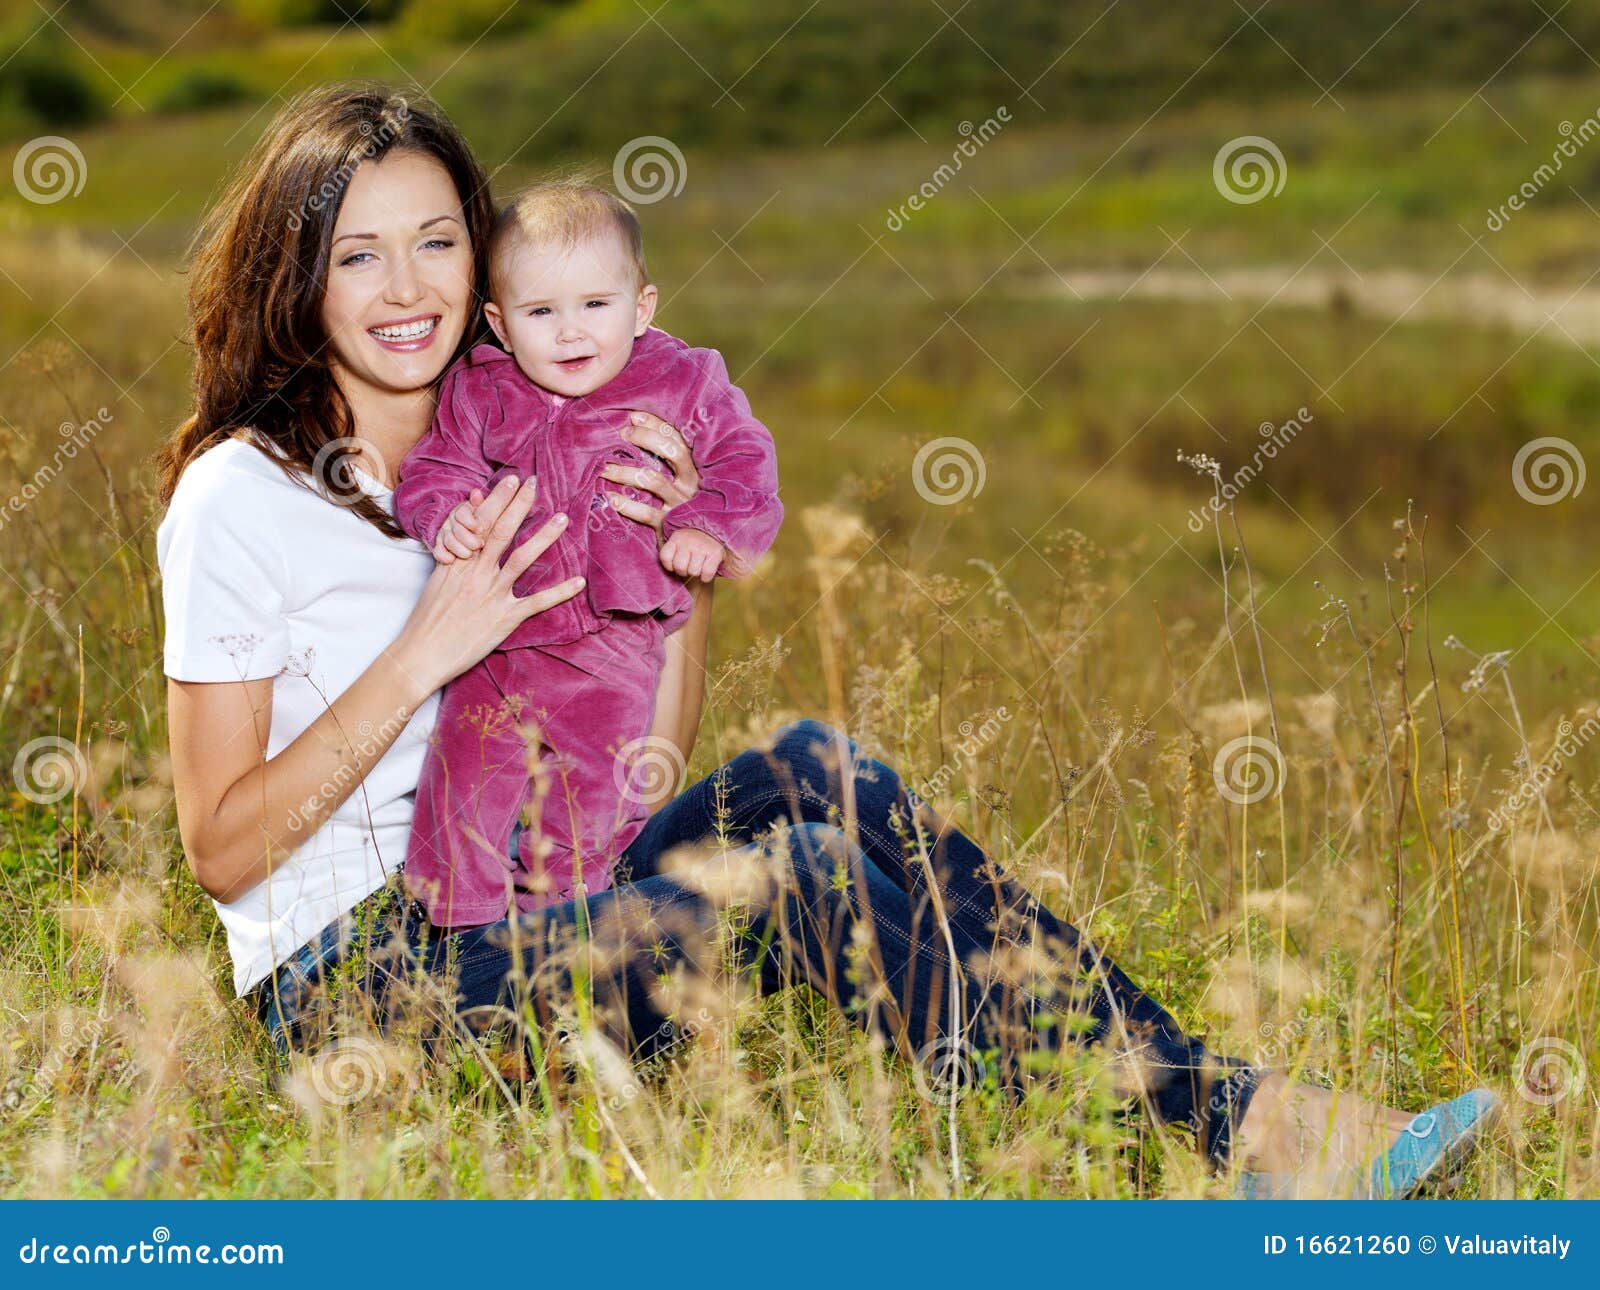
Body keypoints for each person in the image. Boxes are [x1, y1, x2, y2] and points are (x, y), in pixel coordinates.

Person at [155, 82, 1497, 1198]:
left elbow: (644, 759)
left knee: (817, 763)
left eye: (438, 241)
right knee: (795, 876)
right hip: (357, 985)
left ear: (481, 260)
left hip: (529, 880)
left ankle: (1244, 1111)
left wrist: (669, 561)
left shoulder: (514, 433)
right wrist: (421, 655)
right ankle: (1191, 1149)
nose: (408, 287)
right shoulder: (243, 496)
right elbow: (220, 847)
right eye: (358, 252)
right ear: (298, 271)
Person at [391, 179, 783, 928]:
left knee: (584, 801)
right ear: (502, 326)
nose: (570, 334)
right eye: (542, 313)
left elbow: (743, 459)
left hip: (613, 641)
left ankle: (562, 937)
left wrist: (705, 525)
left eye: (595, 307)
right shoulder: (482, 388)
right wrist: (443, 515)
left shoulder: (680, 378)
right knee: (464, 778)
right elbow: (439, 465)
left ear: (643, 307)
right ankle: (453, 924)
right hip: (498, 640)